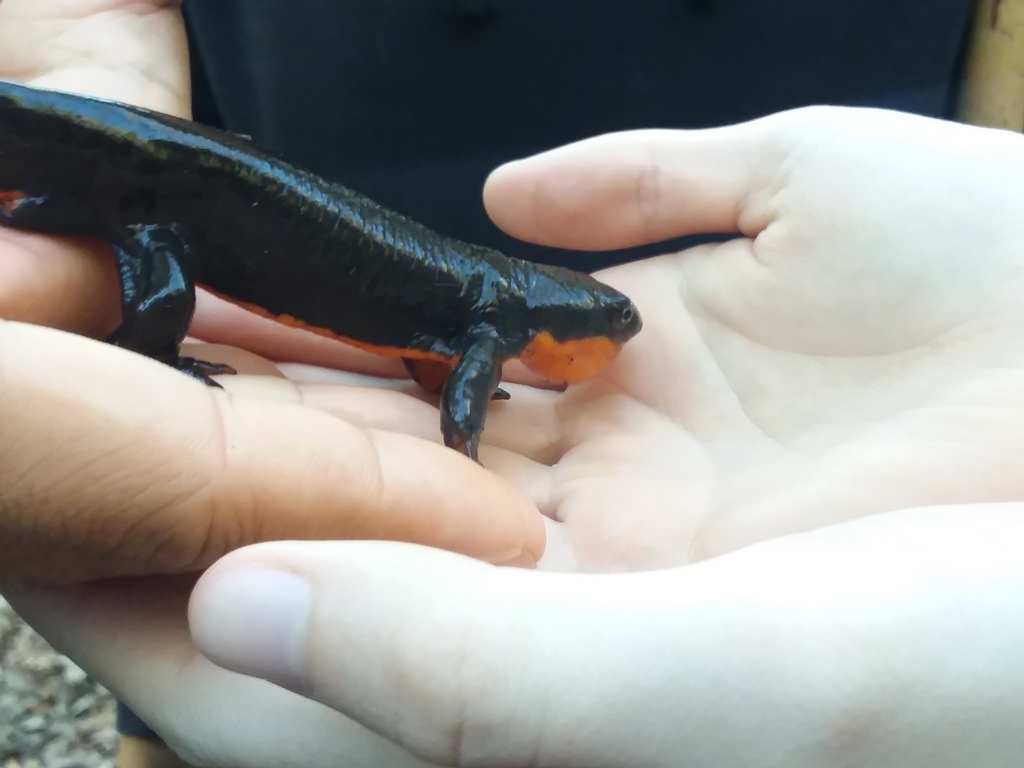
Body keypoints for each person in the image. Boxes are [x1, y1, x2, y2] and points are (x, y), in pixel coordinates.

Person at [3, 1, 1024, 767]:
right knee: (146, 294)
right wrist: (467, 454)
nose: (616, 332)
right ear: (565, 318)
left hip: (170, 182)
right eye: (612, 320)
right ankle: (148, 343)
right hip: (174, 172)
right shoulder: (489, 315)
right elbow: (457, 386)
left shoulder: (478, 310)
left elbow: (440, 362)